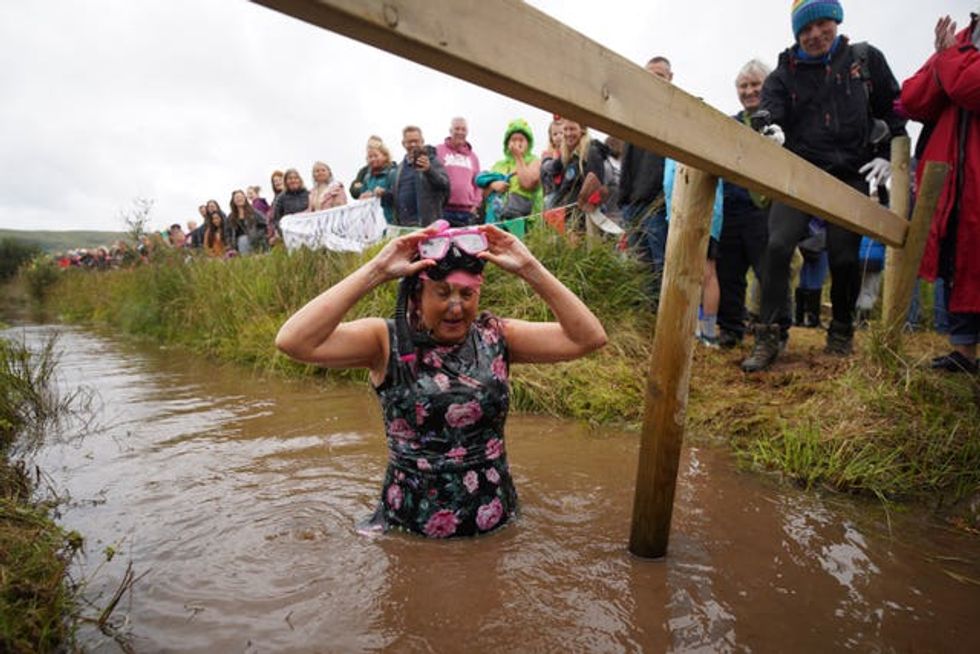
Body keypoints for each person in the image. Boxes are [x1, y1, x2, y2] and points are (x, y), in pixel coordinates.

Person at [275, 221, 607, 538]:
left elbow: (587, 338)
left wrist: (529, 267)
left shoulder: (496, 337)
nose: (456, 307)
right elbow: (294, 341)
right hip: (410, 532)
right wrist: (376, 271)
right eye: (443, 292)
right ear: (417, 296)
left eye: (467, 294)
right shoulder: (385, 341)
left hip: (497, 523)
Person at [741, 0, 907, 372]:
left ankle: (842, 331)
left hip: (851, 171)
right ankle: (768, 334)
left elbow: (894, 106)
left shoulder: (865, 61)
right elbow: (769, 112)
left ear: (836, 20)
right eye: (805, 29)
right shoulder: (784, 73)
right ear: (796, 34)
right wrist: (773, 131)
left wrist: (886, 151)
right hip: (800, 172)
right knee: (778, 245)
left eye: (821, 24)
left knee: (845, 256)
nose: (815, 35)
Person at [901, 10, 980, 374]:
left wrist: (948, 60)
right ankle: (963, 353)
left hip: (974, 173)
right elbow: (913, 99)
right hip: (950, 177)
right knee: (957, 254)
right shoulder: (961, 38)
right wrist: (946, 62)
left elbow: (970, 88)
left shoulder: (955, 48)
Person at [718, 59, 774, 348]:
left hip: (763, 209)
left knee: (768, 272)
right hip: (731, 206)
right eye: (744, 86)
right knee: (728, 272)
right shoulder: (730, 124)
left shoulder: (776, 123)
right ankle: (730, 328)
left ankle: (773, 330)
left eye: (755, 85)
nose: (750, 91)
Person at [618, 56, 674, 283]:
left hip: (658, 205)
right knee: (638, 266)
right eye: (648, 76)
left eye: (659, 76)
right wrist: (624, 201)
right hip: (633, 205)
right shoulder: (636, 116)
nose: (653, 81)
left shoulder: (675, 114)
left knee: (661, 263)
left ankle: (663, 315)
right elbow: (627, 161)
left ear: (670, 78)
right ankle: (646, 316)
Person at [541, 119, 607, 233]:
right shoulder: (567, 157)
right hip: (569, 218)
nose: (568, 133)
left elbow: (597, 189)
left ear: (582, 130)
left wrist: (581, 219)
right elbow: (551, 172)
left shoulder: (591, 152)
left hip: (586, 219)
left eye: (572, 129)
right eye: (565, 129)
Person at [478, 118, 542, 224]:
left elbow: (527, 183)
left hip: (525, 221)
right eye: (513, 140)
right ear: (507, 143)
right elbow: (483, 195)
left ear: (528, 143)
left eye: (521, 140)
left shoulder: (535, 161)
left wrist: (518, 156)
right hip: (496, 219)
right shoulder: (498, 165)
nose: (517, 143)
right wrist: (493, 185)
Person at [383, 126, 450, 227]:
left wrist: (429, 170)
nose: (413, 144)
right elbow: (394, 198)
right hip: (404, 226)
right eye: (409, 142)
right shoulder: (398, 169)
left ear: (422, 141)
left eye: (416, 141)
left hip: (427, 225)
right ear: (403, 143)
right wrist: (382, 194)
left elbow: (445, 185)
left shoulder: (432, 161)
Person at [436, 117, 482, 226]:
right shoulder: (439, 150)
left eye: (463, 129)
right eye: (457, 129)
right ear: (450, 131)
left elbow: (478, 183)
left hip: (467, 212)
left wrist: (476, 204)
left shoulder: (473, 157)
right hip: (443, 210)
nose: (460, 132)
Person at [350, 135, 397, 222]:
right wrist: (363, 197)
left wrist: (383, 193)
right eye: (370, 157)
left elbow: (398, 196)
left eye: (376, 156)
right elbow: (359, 194)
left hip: (391, 221)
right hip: (373, 224)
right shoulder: (367, 177)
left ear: (385, 156)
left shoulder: (393, 173)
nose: (373, 159)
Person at [271, 169, 310, 242]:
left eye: (295, 178)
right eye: (290, 178)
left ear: (300, 180)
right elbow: (276, 218)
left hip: (308, 231)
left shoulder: (308, 194)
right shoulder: (281, 198)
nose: (293, 180)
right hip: (291, 234)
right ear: (285, 181)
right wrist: (282, 233)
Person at [228, 189, 269, 254]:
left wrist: (258, 235)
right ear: (233, 201)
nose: (239, 199)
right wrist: (232, 246)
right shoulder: (231, 217)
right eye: (237, 197)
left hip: (256, 241)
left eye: (241, 197)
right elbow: (229, 233)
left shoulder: (253, 212)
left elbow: (265, 224)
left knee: (244, 239)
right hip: (239, 245)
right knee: (242, 240)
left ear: (245, 198)